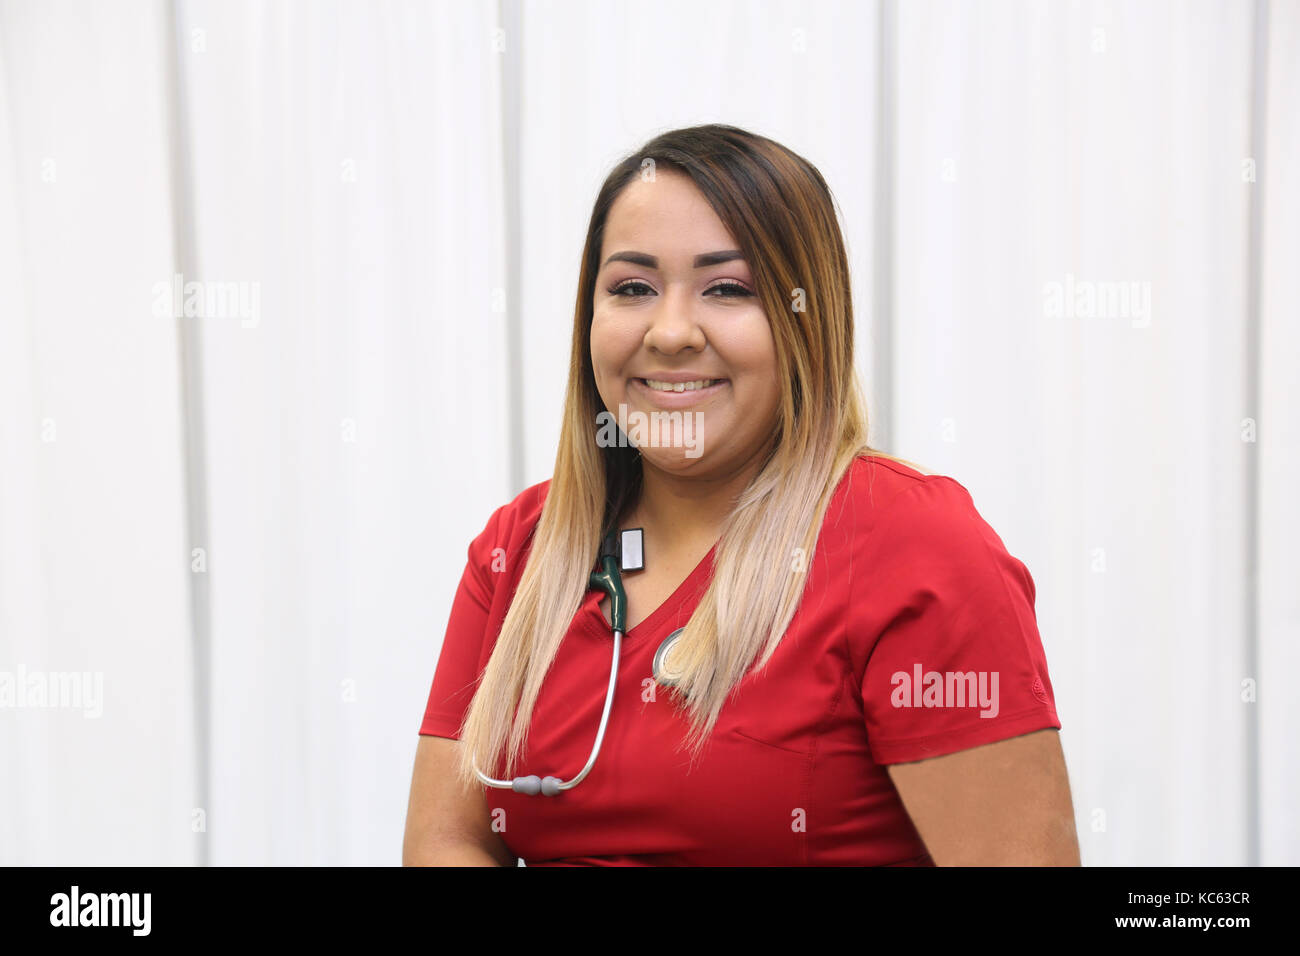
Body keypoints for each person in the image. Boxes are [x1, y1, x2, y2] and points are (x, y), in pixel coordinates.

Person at [402, 124, 1079, 866]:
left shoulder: (914, 545)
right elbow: (447, 840)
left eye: (728, 289)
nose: (670, 332)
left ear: (806, 320)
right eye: (632, 288)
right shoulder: (519, 548)